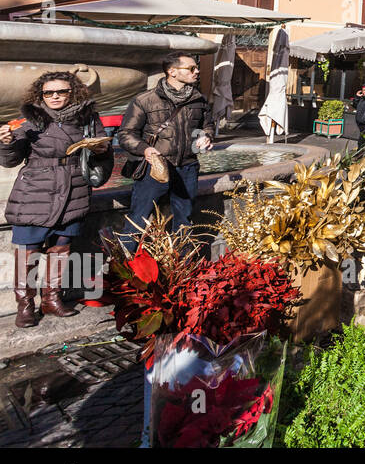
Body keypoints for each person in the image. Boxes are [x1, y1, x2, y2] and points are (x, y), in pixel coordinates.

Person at [0, 72, 106, 328]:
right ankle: (25, 305)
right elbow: (10, 160)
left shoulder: (87, 119)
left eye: (61, 92)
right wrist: (6, 143)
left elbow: (103, 147)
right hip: (35, 190)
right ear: (41, 94)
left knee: (61, 249)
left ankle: (52, 300)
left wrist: (100, 147)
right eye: (49, 92)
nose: (55, 96)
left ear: (73, 93)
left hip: (73, 188)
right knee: (29, 252)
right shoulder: (29, 120)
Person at [117, 52, 215, 249]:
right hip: (154, 168)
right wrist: (145, 149)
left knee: (184, 221)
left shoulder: (199, 100)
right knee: (138, 220)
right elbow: (126, 134)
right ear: (172, 71)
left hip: (187, 167)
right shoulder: (145, 100)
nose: (197, 71)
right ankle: (123, 269)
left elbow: (206, 125)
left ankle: (183, 269)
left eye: (196, 68)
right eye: (191, 68)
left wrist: (205, 136)